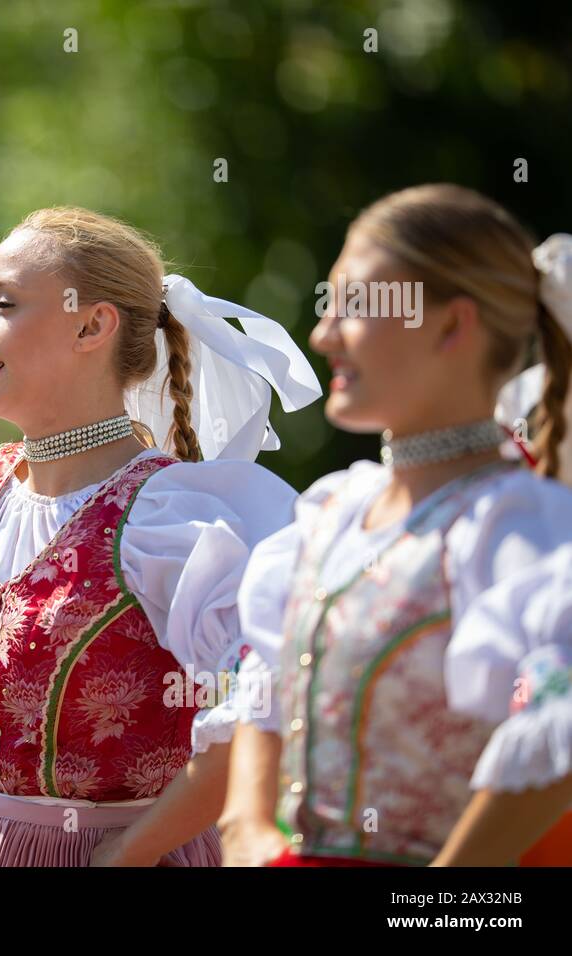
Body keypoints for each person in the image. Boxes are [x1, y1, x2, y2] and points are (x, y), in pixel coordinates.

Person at [0, 206, 323, 866]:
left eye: (3, 304)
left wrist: (129, 850)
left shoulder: (176, 516)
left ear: (93, 324)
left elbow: (255, 708)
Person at [218, 185, 572, 867]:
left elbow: (560, 723)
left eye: (353, 305)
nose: (322, 334)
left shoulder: (512, 523)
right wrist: (249, 835)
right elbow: (264, 680)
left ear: (450, 325)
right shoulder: (332, 509)